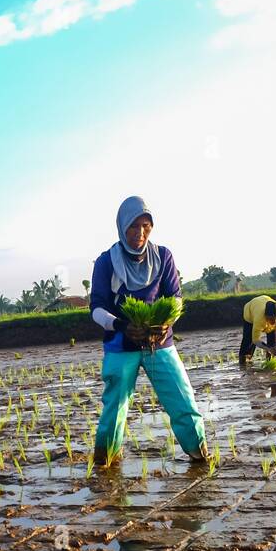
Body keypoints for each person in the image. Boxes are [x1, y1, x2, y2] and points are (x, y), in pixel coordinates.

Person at [89, 195, 208, 467]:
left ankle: (199, 454)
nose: (139, 233)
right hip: (122, 345)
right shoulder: (106, 262)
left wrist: (167, 323)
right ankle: (105, 462)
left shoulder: (163, 256)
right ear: (122, 227)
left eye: (145, 226)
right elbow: (96, 308)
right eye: (133, 226)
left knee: (182, 399)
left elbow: (175, 297)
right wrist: (121, 325)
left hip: (159, 343)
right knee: (115, 409)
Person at [240, 294, 276, 365]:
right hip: (250, 311)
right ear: (266, 316)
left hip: (264, 301)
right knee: (248, 342)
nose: (274, 321)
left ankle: (269, 364)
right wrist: (268, 349)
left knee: (272, 344)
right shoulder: (259, 318)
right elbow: (255, 340)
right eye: (271, 319)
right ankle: (243, 364)